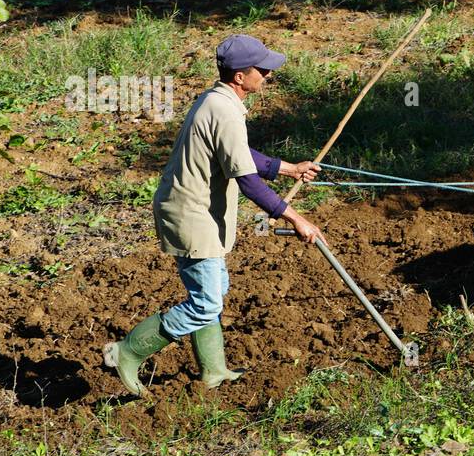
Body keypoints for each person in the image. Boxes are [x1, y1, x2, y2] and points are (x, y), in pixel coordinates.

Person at [104, 33, 323, 396]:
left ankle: (214, 370)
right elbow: (248, 181)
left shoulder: (217, 102)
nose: (269, 76)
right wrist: (295, 218)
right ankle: (125, 353)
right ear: (240, 76)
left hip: (199, 211)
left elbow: (240, 152)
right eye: (263, 70)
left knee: (215, 292)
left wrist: (288, 168)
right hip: (192, 215)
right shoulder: (222, 108)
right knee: (206, 303)